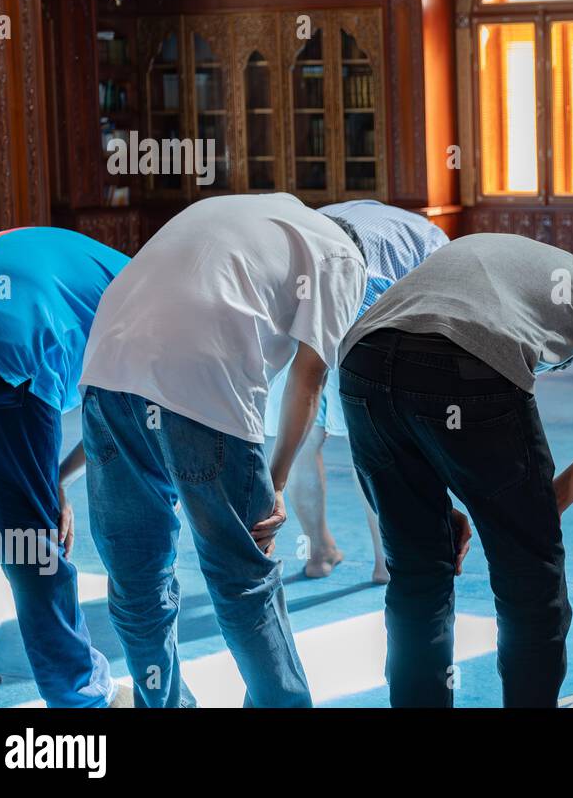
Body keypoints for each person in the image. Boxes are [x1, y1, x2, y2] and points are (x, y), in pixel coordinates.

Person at [338, 233, 573, 708]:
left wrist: (428, 502)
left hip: (361, 360)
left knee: (417, 574)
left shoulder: (479, 253)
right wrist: (550, 501)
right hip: (468, 362)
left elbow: (407, 360)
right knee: (529, 580)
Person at [78, 193, 371, 708]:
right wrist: (275, 482)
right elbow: (309, 378)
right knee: (243, 577)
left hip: (105, 368)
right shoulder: (343, 257)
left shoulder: (243, 211)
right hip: (203, 384)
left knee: (136, 576)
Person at [0, 226, 128, 708]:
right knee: (31, 538)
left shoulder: (111, 270)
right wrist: (51, 486)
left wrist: (53, 480)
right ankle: (80, 696)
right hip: (7, 337)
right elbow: (118, 423)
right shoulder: (155, 314)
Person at [261, 200, 449, 582]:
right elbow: (308, 377)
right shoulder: (424, 246)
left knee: (304, 437)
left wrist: (273, 484)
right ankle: (386, 561)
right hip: (362, 288)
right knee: (373, 441)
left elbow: (306, 377)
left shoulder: (412, 248)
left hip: (357, 290)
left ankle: (319, 552)